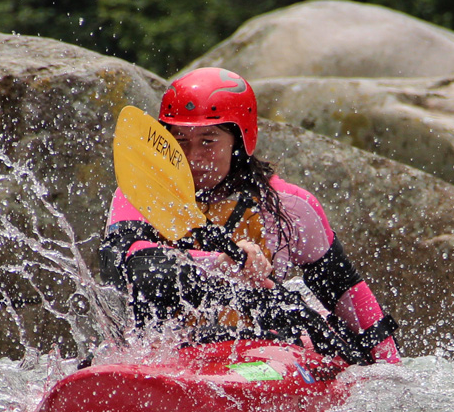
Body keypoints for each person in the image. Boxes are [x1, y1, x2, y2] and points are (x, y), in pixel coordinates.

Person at [100, 66, 399, 363]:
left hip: (258, 355)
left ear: (239, 142)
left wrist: (389, 365)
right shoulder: (139, 194)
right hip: (168, 354)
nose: (192, 157)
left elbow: (345, 291)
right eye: (181, 141)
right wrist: (220, 263)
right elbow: (123, 265)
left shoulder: (287, 206)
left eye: (208, 141)